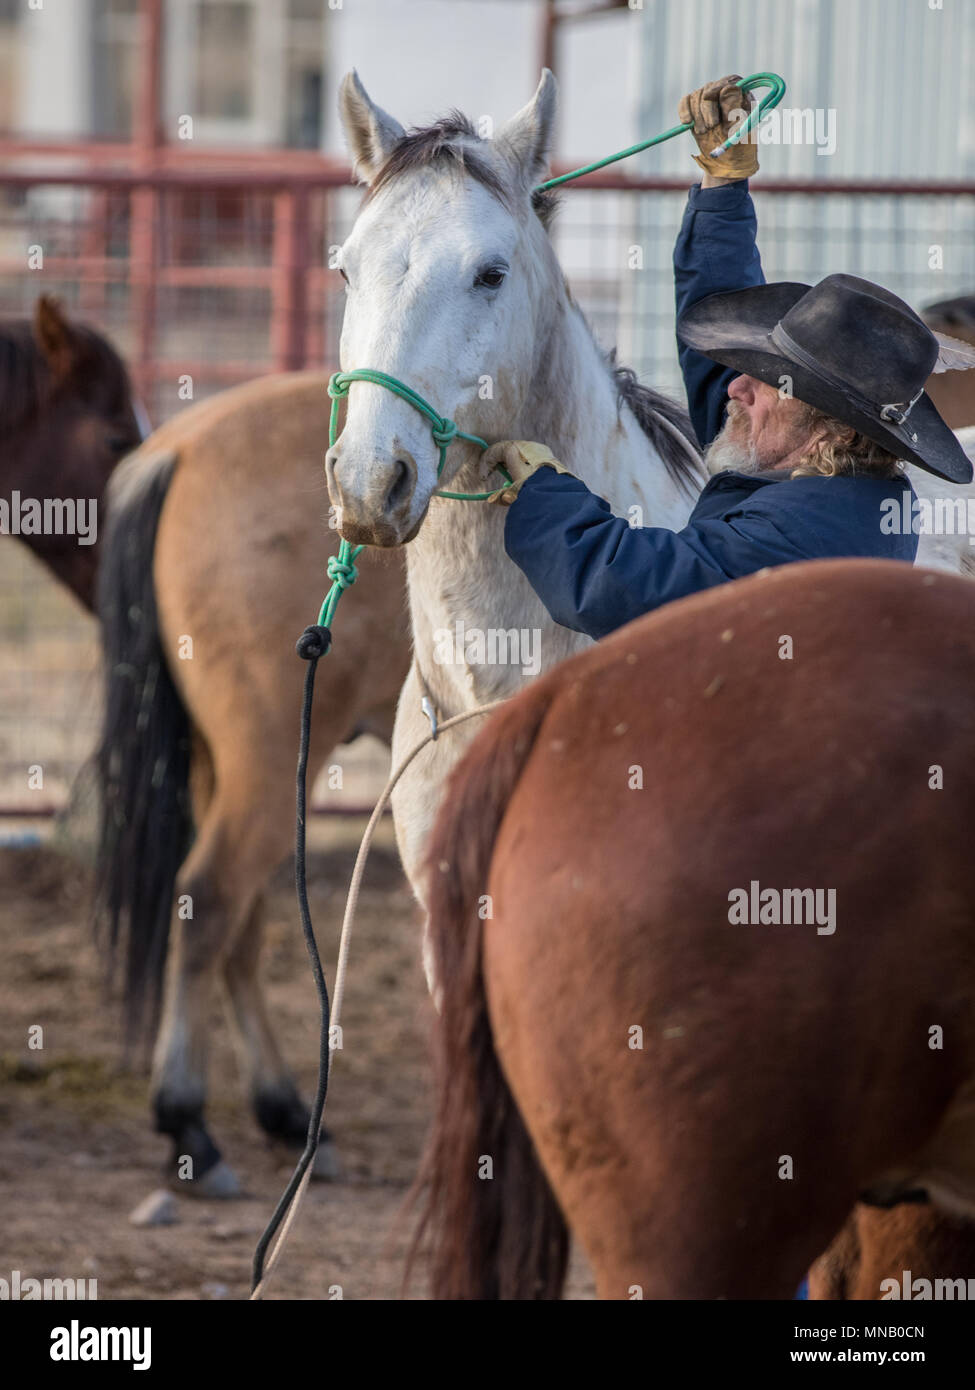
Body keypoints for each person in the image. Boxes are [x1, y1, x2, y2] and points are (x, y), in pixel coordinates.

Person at [485, 76, 973, 642]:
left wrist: (546, 491)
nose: (737, 388)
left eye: (771, 382)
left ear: (835, 433)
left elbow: (619, 584)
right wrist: (723, 189)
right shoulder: (825, 473)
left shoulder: (808, 531)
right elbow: (719, 344)